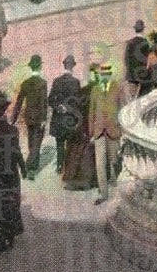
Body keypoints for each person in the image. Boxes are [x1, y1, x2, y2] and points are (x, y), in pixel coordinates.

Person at [0, 90, 26, 253]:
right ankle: (9, 234)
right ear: (5, 110)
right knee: (10, 201)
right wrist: (24, 168)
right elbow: (17, 152)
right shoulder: (13, 131)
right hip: (10, 173)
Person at [88, 62, 134, 204]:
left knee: (114, 161)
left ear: (110, 75)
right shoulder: (95, 90)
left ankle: (115, 181)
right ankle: (103, 193)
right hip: (99, 131)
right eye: (102, 75)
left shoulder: (118, 88)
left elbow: (123, 109)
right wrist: (91, 132)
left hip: (113, 130)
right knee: (100, 163)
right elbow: (91, 112)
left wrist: (123, 129)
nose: (104, 77)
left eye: (107, 75)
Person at [11, 54, 47, 180]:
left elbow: (19, 102)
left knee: (31, 141)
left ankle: (33, 169)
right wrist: (44, 119)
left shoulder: (25, 83)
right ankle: (29, 166)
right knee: (37, 143)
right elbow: (43, 103)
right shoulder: (43, 83)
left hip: (28, 117)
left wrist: (13, 119)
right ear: (40, 67)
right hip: (38, 118)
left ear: (31, 68)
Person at [62, 63, 98, 191]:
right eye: (94, 73)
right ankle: (83, 181)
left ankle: (77, 180)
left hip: (85, 124)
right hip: (84, 124)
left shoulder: (88, 89)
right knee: (83, 150)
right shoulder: (88, 90)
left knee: (80, 150)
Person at [47, 55, 81, 174]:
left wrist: (59, 107)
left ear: (64, 66)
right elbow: (78, 102)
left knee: (59, 144)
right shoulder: (76, 82)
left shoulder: (57, 81)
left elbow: (50, 100)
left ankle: (60, 165)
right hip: (70, 118)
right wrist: (69, 108)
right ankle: (69, 168)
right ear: (73, 67)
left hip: (58, 118)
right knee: (70, 144)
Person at [124, 19, 150, 93]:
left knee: (132, 98)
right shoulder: (145, 42)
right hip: (142, 75)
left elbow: (126, 59)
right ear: (143, 30)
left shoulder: (130, 43)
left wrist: (129, 70)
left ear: (135, 30)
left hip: (131, 75)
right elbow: (147, 59)